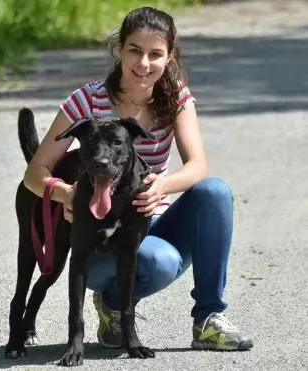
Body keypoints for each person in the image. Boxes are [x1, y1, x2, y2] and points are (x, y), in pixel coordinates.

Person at [23, 7, 253, 351]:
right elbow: (34, 175)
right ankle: (112, 305)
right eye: (135, 50)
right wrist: (66, 194)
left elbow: (197, 166)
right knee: (158, 263)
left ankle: (208, 319)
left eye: (155, 54)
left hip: (149, 218)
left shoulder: (175, 98)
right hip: (101, 235)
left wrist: (162, 184)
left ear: (169, 56)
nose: (143, 63)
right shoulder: (86, 100)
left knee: (214, 192)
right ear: (120, 49)